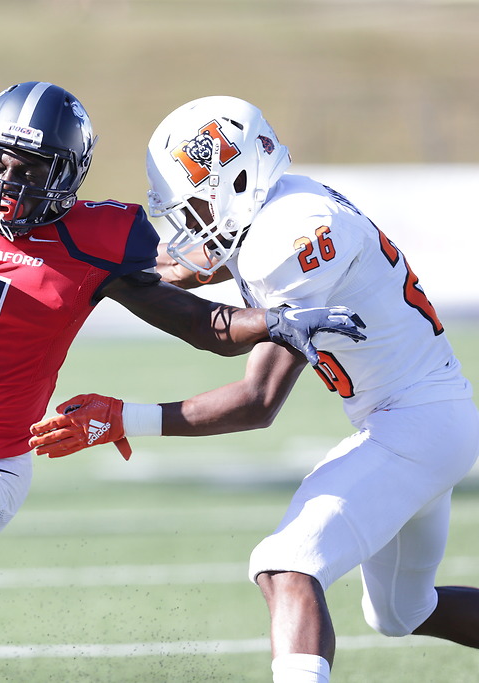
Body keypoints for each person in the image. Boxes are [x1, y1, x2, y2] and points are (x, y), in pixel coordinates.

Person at [0, 82, 364, 683]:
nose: (8, 180)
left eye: (31, 169)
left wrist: (279, 320)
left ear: (66, 177)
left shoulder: (94, 242)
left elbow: (205, 325)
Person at [28, 95, 479, 682]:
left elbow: (257, 402)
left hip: (413, 425)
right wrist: (86, 263)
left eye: (193, 207)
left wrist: (122, 417)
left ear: (236, 181)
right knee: (401, 610)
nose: (187, 225)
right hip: (429, 416)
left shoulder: (290, 240)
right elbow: (197, 265)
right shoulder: (287, 204)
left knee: (286, 566)